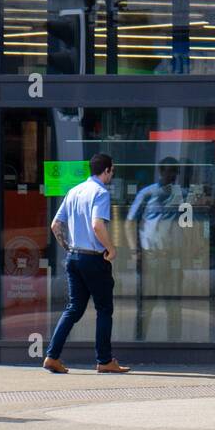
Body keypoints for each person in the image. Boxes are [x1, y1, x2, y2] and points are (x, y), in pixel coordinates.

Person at [44, 154, 130, 374]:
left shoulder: (74, 191)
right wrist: (111, 248)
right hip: (93, 257)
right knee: (104, 309)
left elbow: (55, 225)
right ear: (107, 170)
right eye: (112, 172)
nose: (112, 175)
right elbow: (97, 225)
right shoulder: (100, 193)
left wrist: (67, 247)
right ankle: (104, 360)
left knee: (73, 308)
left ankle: (52, 356)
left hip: (73, 257)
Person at [126, 157, 187, 340]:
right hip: (150, 256)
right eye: (169, 171)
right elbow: (130, 222)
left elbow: (188, 223)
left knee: (174, 305)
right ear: (161, 172)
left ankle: (175, 342)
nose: (172, 175)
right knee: (147, 303)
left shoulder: (182, 194)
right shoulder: (147, 193)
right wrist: (133, 250)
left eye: (175, 172)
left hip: (173, 256)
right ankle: (140, 340)